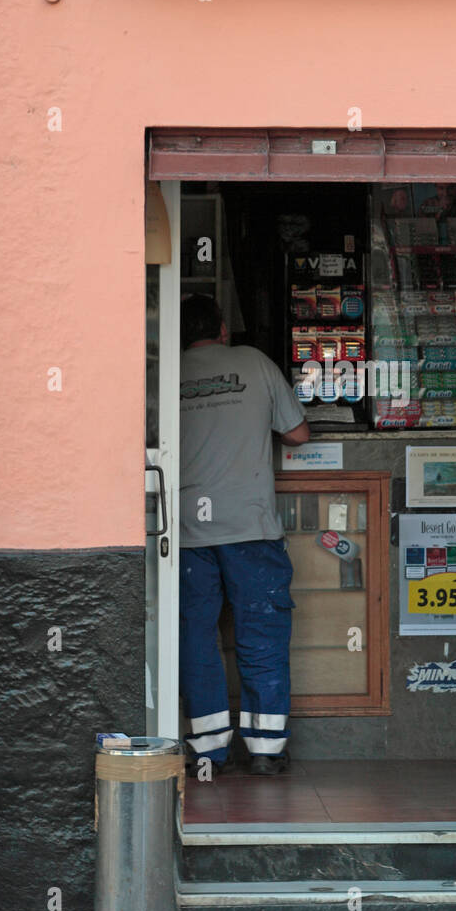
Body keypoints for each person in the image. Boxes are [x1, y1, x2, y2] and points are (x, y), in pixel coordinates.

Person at [178, 295, 309, 778]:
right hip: (250, 527)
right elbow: (297, 435)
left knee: (195, 638)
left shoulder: (165, 372)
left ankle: (207, 752)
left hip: (188, 532)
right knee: (261, 633)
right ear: (222, 329)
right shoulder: (253, 361)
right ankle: (266, 751)